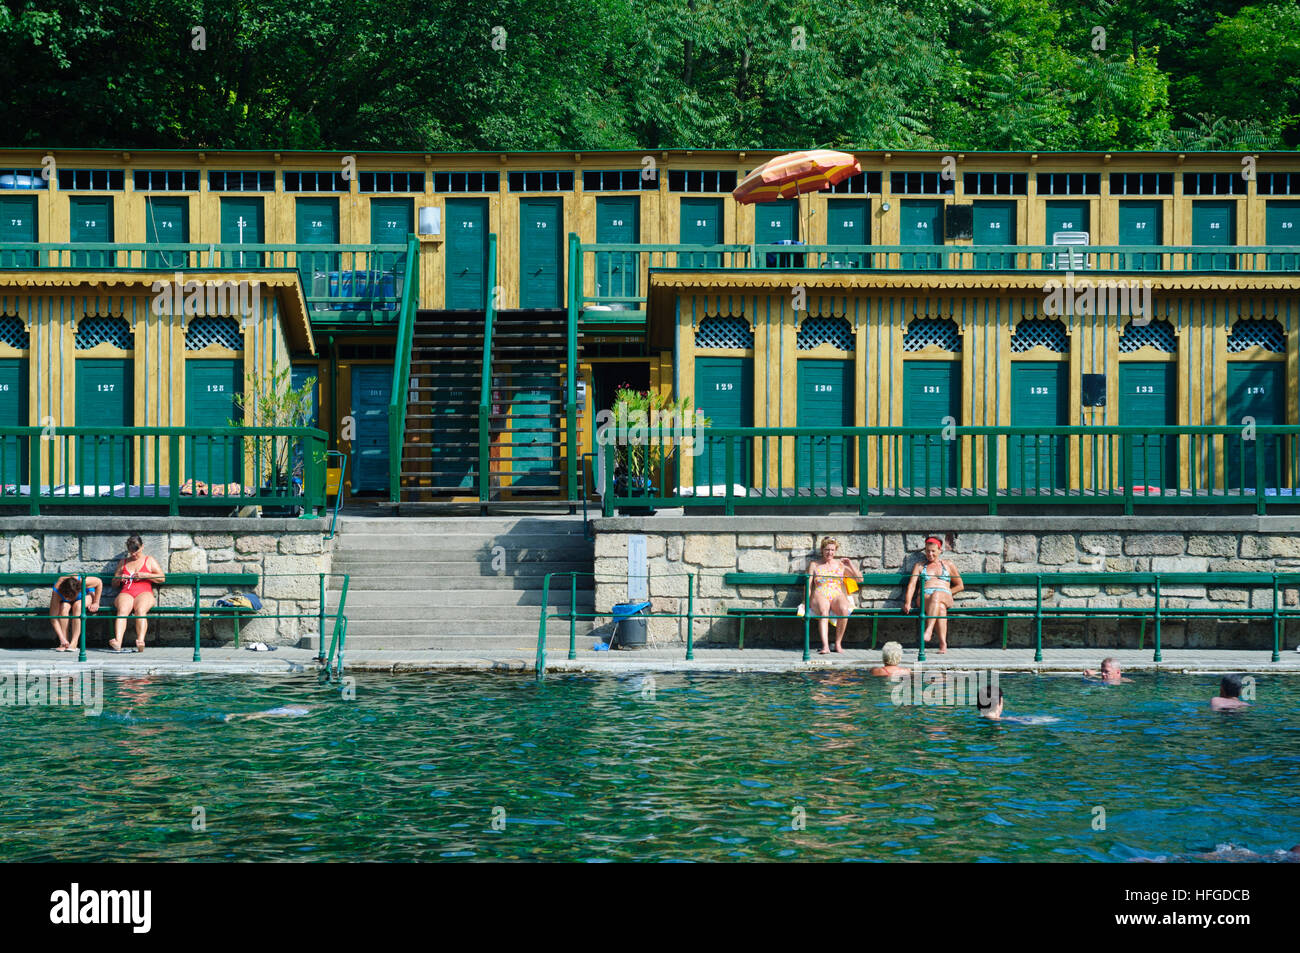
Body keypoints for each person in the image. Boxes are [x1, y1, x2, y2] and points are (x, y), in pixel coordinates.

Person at [903, 536, 964, 654]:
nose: (929, 554)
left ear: (940, 550)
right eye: (927, 551)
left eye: (933, 551)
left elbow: (960, 585)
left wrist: (944, 593)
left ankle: (929, 630)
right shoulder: (920, 566)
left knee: (937, 595)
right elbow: (912, 585)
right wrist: (907, 602)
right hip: (925, 597)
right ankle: (943, 644)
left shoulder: (948, 565)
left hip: (944, 595)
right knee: (940, 607)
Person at [806, 536, 862, 655]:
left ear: (835, 551)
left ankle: (838, 643)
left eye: (832, 550)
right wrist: (806, 601)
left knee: (844, 609)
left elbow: (859, 579)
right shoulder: (814, 565)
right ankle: (825, 646)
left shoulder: (840, 565)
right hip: (820, 592)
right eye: (827, 549)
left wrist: (850, 565)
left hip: (836, 593)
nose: (829, 552)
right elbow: (808, 585)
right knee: (824, 610)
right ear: (822, 550)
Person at [109, 534, 165, 653]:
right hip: (126, 591)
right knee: (123, 610)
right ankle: (118, 641)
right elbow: (114, 583)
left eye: (136, 551)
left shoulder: (149, 560)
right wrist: (119, 578)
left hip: (144, 591)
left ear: (142, 547)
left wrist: (146, 575)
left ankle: (140, 641)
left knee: (140, 610)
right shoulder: (123, 562)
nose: (134, 554)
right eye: (131, 552)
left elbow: (162, 578)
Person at [47, 575, 103, 652]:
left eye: (70, 597)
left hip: (86, 594)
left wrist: (96, 602)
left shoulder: (83, 582)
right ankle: (64, 642)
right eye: (66, 597)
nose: (68, 599)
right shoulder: (57, 590)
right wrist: (62, 638)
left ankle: (74, 642)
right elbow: (53, 617)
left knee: (78, 606)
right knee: (64, 607)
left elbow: (99, 582)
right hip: (68, 596)